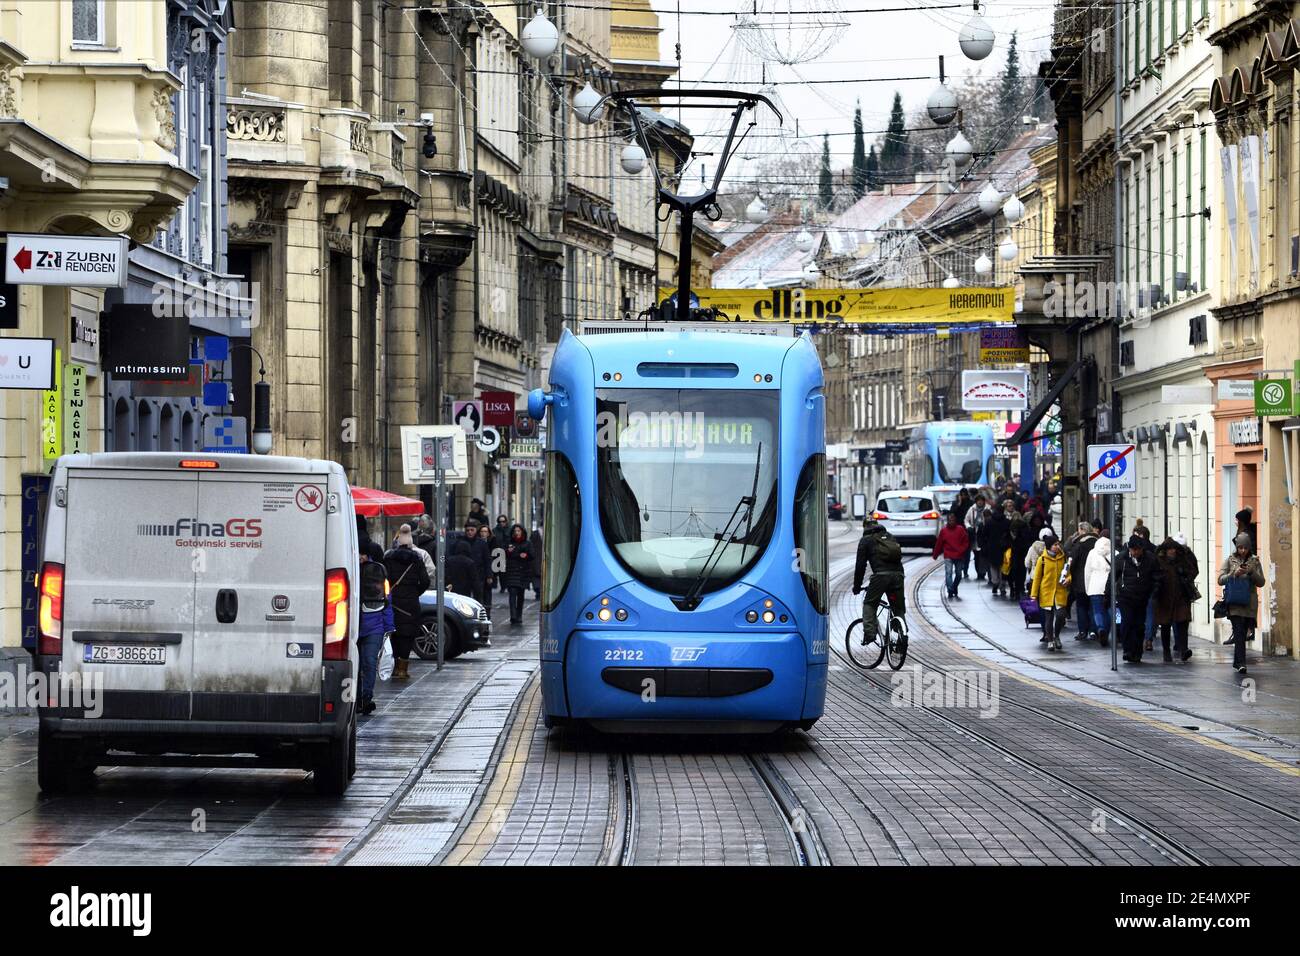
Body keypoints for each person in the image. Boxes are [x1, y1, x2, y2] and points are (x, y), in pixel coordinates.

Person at [384, 527, 431, 680]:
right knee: (407, 635)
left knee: (394, 634)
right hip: (410, 604)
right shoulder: (416, 559)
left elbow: (384, 578)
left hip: (393, 601)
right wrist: (415, 592)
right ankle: (403, 669)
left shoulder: (389, 558)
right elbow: (425, 581)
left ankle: (394, 667)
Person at [852, 517, 906, 646]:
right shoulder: (890, 536)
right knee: (898, 607)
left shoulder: (865, 540)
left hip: (881, 577)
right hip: (898, 576)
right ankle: (901, 635)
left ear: (865, 527)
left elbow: (860, 566)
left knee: (869, 603)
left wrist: (857, 586)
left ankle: (870, 634)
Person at [1218, 533, 1265, 674]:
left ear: (1249, 547)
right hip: (1234, 602)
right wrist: (1234, 574)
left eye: (1245, 547)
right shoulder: (1230, 560)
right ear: (1236, 547)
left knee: (1243, 633)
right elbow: (1220, 579)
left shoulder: (1255, 561)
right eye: (1240, 547)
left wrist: (1251, 572)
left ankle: (1237, 662)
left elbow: (1261, 582)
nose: (1242, 550)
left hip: (1249, 603)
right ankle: (1241, 663)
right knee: (1238, 632)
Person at [356, 555, 392, 715]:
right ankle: (358, 699)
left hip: (371, 626)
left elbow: (387, 601)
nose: (360, 557)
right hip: (364, 626)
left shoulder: (377, 573)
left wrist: (389, 627)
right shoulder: (378, 573)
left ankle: (366, 698)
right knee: (362, 664)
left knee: (368, 662)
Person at [1117, 535, 1160, 663]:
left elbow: (1157, 576)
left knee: (1139, 626)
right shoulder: (1122, 559)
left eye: (1137, 550)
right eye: (1132, 550)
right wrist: (1108, 595)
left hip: (1142, 597)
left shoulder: (1150, 559)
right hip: (1126, 597)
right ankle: (1127, 650)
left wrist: (1154, 590)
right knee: (1127, 622)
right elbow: (1113, 576)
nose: (1135, 552)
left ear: (1142, 549)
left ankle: (1137, 651)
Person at [1153, 537, 1196, 662]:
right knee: (1165, 625)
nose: (1172, 551)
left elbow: (1193, 571)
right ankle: (1166, 651)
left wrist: (1185, 575)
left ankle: (1184, 650)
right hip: (1164, 598)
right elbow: (1153, 575)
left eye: (1174, 549)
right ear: (1165, 550)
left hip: (1181, 596)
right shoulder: (1159, 561)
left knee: (1183, 622)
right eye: (1169, 549)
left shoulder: (1183, 560)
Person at [1030, 534, 1070, 651]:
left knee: (1061, 616)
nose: (1058, 546)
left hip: (1060, 592)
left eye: (1058, 544)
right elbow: (1037, 578)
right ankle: (1050, 640)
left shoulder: (1063, 558)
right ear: (1049, 547)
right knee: (1049, 618)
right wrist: (1033, 594)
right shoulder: (1042, 560)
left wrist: (1068, 579)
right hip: (1046, 592)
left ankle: (1057, 636)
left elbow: (1068, 573)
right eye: (1055, 545)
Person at [1065, 521, 1098, 640]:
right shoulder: (1097, 543)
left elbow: (1071, 562)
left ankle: (1083, 631)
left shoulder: (1079, 544)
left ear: (1082, 531)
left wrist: (1068, 575)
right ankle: (1094, 630)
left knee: (1082, 606)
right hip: (1095, 580)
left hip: (1081, 580)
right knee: (1093, 606)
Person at [932, 510, 970, 600]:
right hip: (948, 555)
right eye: (950, 520)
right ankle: (950, 590)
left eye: (953, 520)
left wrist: (962, 550)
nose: (951, 521)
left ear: (955, 520)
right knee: (948, 573)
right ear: (948, 521)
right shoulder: (944, 531)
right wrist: (935, 554)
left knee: (958, 574)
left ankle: (954, 587)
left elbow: (966, 542)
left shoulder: (960, 529)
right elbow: (939, 543)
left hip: (959, 555)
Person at [1083, 533, 1113, 647]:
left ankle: (1100, 628)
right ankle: (1109, 629)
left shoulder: (1092, 553)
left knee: (1097, 610)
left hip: (1095, 586)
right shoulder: (1114, 552)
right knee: (1111, 610)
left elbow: (1087, 572)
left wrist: (1087, 588)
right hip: (1109, 587)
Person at [503, 523, 533, 625]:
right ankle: (513, 616)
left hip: (523, 573)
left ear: (522, 532)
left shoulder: (527, 543)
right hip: (511, 572)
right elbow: (503, 554)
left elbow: (532, 556)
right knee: (512, 595)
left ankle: (519, 615)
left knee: (521, 596)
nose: (517, 533)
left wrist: (526, 555)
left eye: (518, 531)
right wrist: (509, 552)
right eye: (515, 531)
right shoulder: (509, 543)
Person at [981, 503, 1010, 597]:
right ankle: (1002, 586)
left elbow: (984, 535)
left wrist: (984, 545)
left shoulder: (989, 522)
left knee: (993, 567)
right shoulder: (1007, 522)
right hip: (1003, 547)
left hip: (992, 547)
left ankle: (995, 582)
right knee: (1003, 566)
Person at [1007, 505, 1031, 602]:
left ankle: (1015, 589)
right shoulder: (1025, 527)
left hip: (1014, 553)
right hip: (1022, 552)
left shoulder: (1011, 527)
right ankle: (1019, 589)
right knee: (1021, 571)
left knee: (1013, 572)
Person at [964, 494, 986, 581]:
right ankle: (978, 572)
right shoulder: (972, 509)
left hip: (984, 534)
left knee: (983, 555)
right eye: (978, 500)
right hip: (975, 535)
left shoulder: (987, 508)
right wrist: (969, 526)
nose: (980, 502)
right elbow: (966, 519)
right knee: (977, 555)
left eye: (981, 500)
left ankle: (983, 572)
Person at [493, 515, 511, 591]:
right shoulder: (495, 530)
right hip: (498, 552)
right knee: (501, 571)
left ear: (506, 522)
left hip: (508, 553)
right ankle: (503, 587)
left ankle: (508, 586)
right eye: (500, 521)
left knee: (508, 571)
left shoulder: (510, 530)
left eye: (503, 521)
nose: (502, 523)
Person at [529, 526, 544, 596]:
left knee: (537, 574)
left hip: (537, 558)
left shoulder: (535, 533)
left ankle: (538, 590)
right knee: (536, 574)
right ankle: (538, 590)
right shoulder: (535, 534)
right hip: (536, 558)